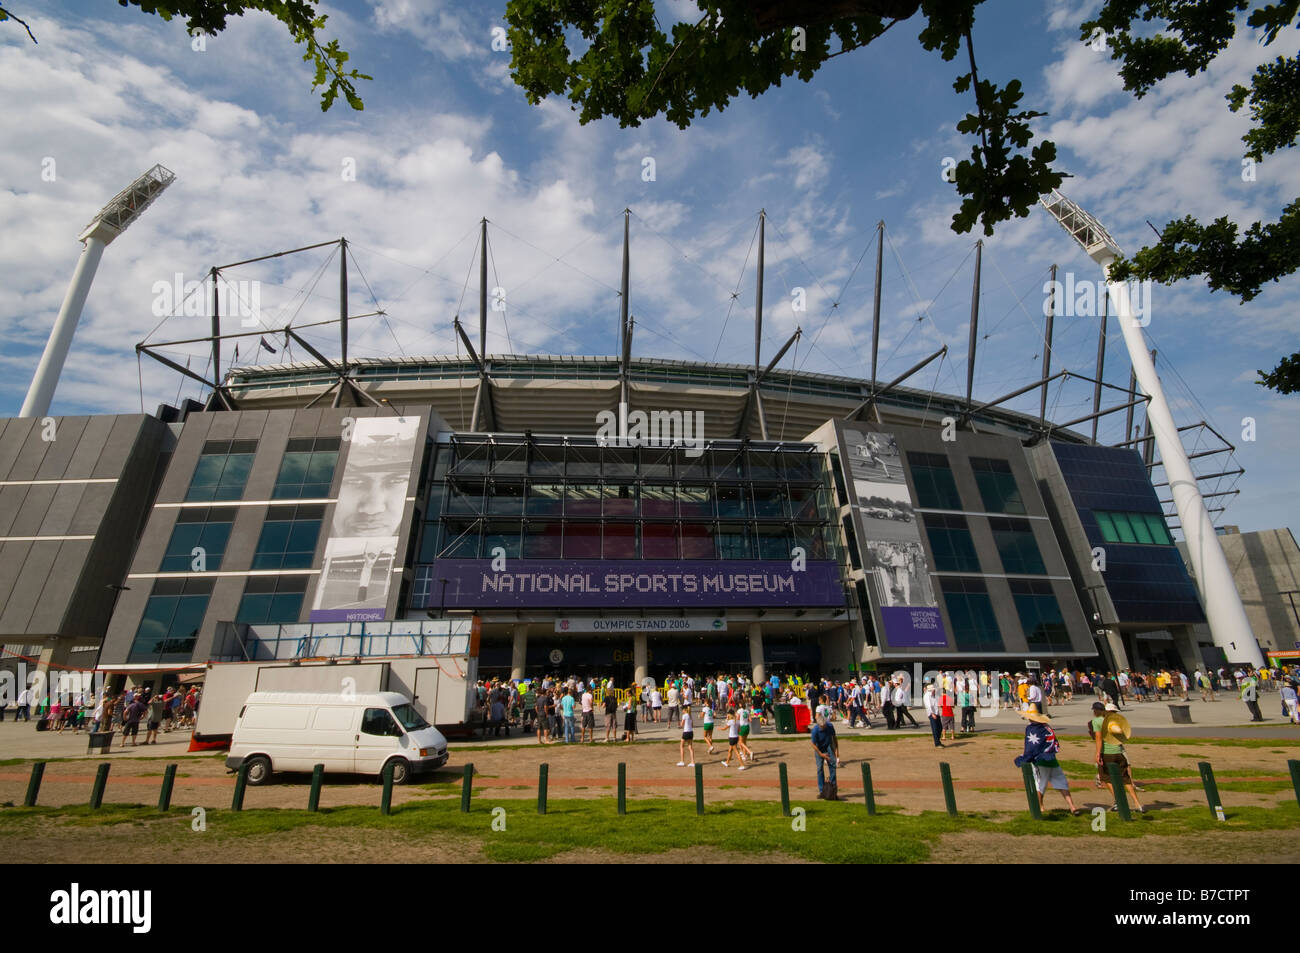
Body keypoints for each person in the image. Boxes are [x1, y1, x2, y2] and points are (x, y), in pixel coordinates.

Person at [1014, 709, 1079, 815]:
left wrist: (1025, 758)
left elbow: (1032, 747)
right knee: (1062, 784)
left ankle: (1040, 807)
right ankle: (1072, 807)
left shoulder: (1032, 729)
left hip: (1040, 760)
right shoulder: (1047, 727)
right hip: (1052, 759)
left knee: (1039, 785)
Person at [1093, 702, 1144, 813]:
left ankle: (1118, 800)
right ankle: (1137, 803)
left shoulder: (1096, 721)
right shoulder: (1114, 721)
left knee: (1106, 777)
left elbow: (1098, 738)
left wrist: (1097, 753)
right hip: (1119, 752)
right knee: (1126, 779)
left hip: (1107, 753)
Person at [810, 713, 839, 800]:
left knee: (833, 767)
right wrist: (821, 754)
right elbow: (813, 744)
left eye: (824, 726)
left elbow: (834, 738)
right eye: (822, 727)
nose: (823, 727)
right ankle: (822, 791)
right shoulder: (815, 730)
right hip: (819, 747)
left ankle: (833, 791)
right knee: (819, 769)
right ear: (818, 725)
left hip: (828, 745)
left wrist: (836, 751)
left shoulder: (830, 726)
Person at [923, 681, 944, 748]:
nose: (935, 690)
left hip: (936, 713)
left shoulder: (934, 695)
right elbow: (928, 705)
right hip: (932, 714)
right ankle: (937, 743)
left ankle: (938, 741)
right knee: (935, 728)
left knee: (940, 727)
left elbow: (936, 704)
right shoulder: (927, 695)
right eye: (933, 689)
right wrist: (932, 713)